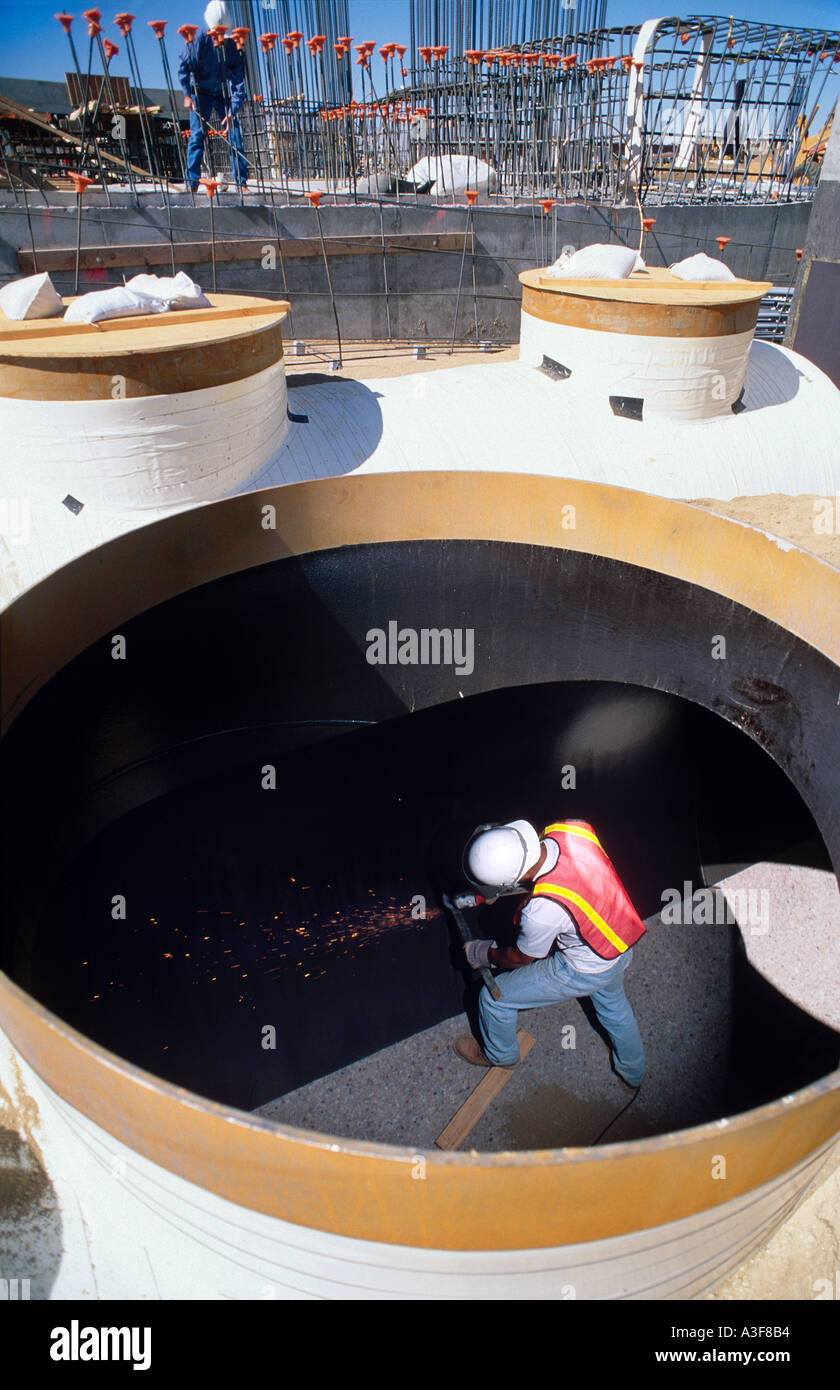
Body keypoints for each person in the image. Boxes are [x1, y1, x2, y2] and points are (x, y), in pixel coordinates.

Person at [454, 818, 647, 1088]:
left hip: (584, 969)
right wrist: (486, 894)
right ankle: (634, 1073)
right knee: (614, 1008)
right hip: (619, 942)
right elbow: (558, 872)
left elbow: (522, 957)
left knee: (494, 998)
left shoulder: (541, 912)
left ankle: (501, 1055)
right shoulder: (571, 829)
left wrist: (484, 954)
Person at [178, 1, 248, 191]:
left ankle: (241, 182)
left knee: (234, 134)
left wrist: (232, 110)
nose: (220, 40)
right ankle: (191, 183)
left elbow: (239, 82)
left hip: (222, 93)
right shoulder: (199, 39)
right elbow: (183, 68)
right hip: (200, 93)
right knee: (197, 136)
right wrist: (187, 94)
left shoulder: (232, 45)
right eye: (216, 36)